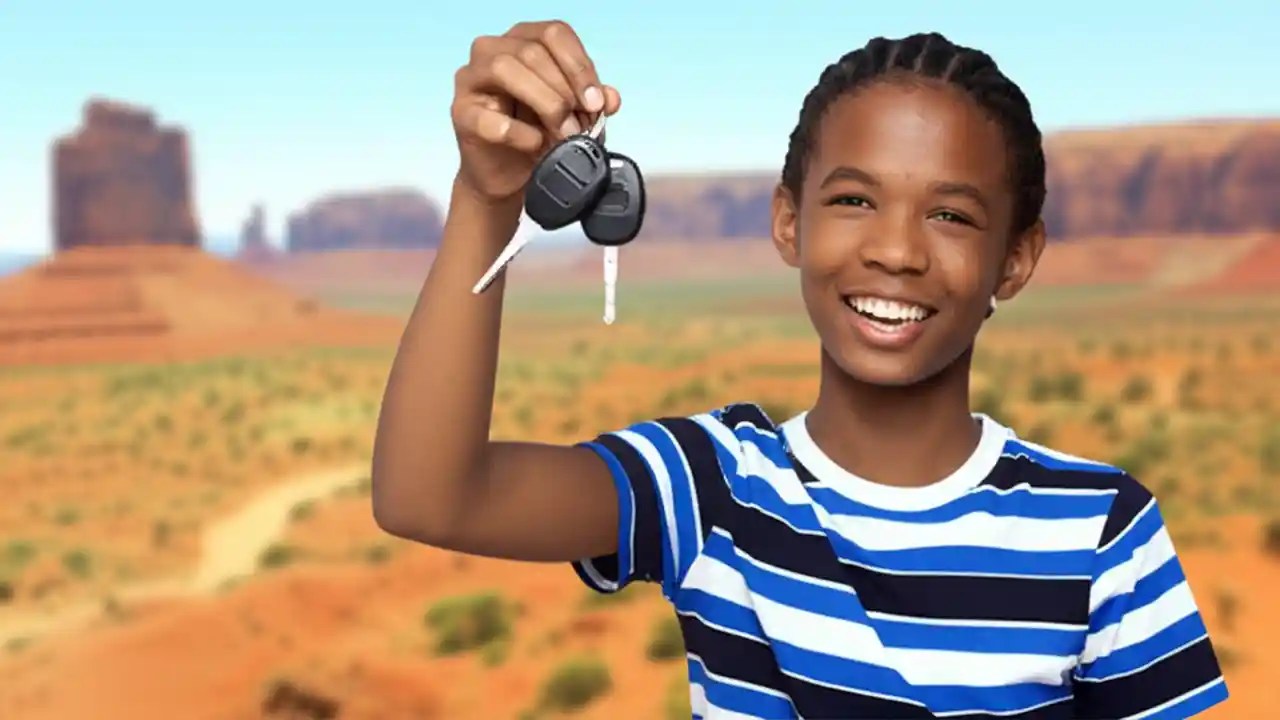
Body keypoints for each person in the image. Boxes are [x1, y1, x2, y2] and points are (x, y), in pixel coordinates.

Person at [371, 19, 1229, 719]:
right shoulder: (713, 488)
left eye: (952, 215)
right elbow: (429, 495)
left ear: (1015, 259)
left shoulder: (1100, 530)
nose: (895, 250)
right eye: (853, 200)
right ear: (789, 223)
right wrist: (486, 199)